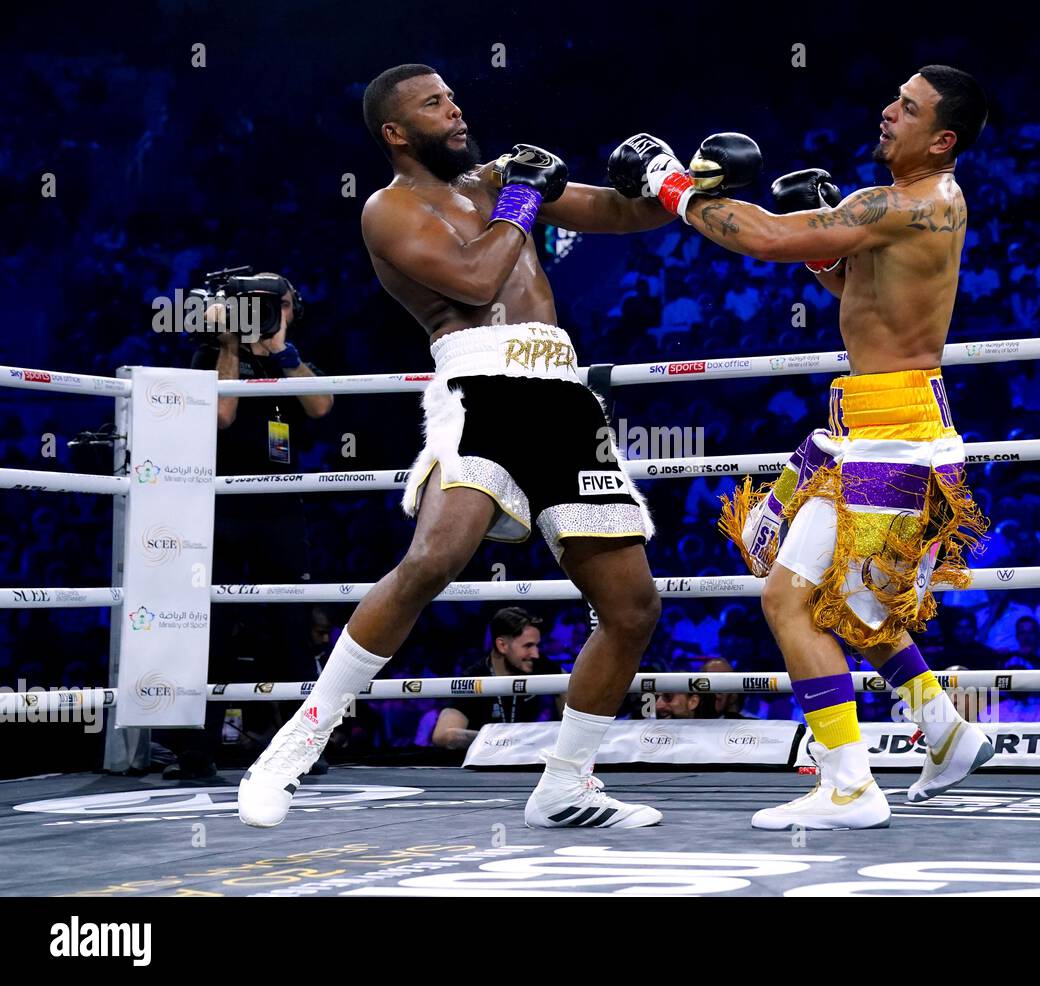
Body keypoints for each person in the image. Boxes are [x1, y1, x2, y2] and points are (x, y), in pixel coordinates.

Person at [239, 64, 678, 830]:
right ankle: (292, 748)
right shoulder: (388, 209)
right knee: (433, 559)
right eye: (434, 104)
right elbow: (475, 281)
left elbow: (621, 214)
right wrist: (523, 197)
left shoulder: (500, 179)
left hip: (560, 388)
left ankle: (566, 784)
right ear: (396, 132)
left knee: (632, 607)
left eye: (452, 97)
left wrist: (680, 183)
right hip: (480, 382)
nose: (455, 110)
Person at [612, 66, 992, 829]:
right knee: (840, 601)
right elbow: (860, 294)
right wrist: (827, 257)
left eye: (908, 108)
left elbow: (765, 238)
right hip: (876, 427)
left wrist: (671, 184)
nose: (888, 112)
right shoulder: (914, 204)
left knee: (791, 601)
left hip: (893, 437)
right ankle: (946, 731)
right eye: (894, 99)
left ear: (941, 139)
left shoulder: (906, 203)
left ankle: (850, 787)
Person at [163, 274, 332, 781]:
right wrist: (230, 345)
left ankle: (301, 749)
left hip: (279, 511)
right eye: (261, 306)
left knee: (291, 630)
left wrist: (279, 351)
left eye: (281, 305)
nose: (274, 314)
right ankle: (197, 750)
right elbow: (221, 416)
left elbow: (321, 406)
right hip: (219, 509)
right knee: (211, 627)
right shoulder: (209, 356)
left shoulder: (291, 360)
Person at [432, 607, 562, 754]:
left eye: (537, 645)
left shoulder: (543, 667)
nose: (535, 654)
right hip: (483, 762)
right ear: (502, 645)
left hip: (533, 759)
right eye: (528, 646)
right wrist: (501, 741)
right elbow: (443, 735)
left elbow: (575, 720)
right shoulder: (475, 677)